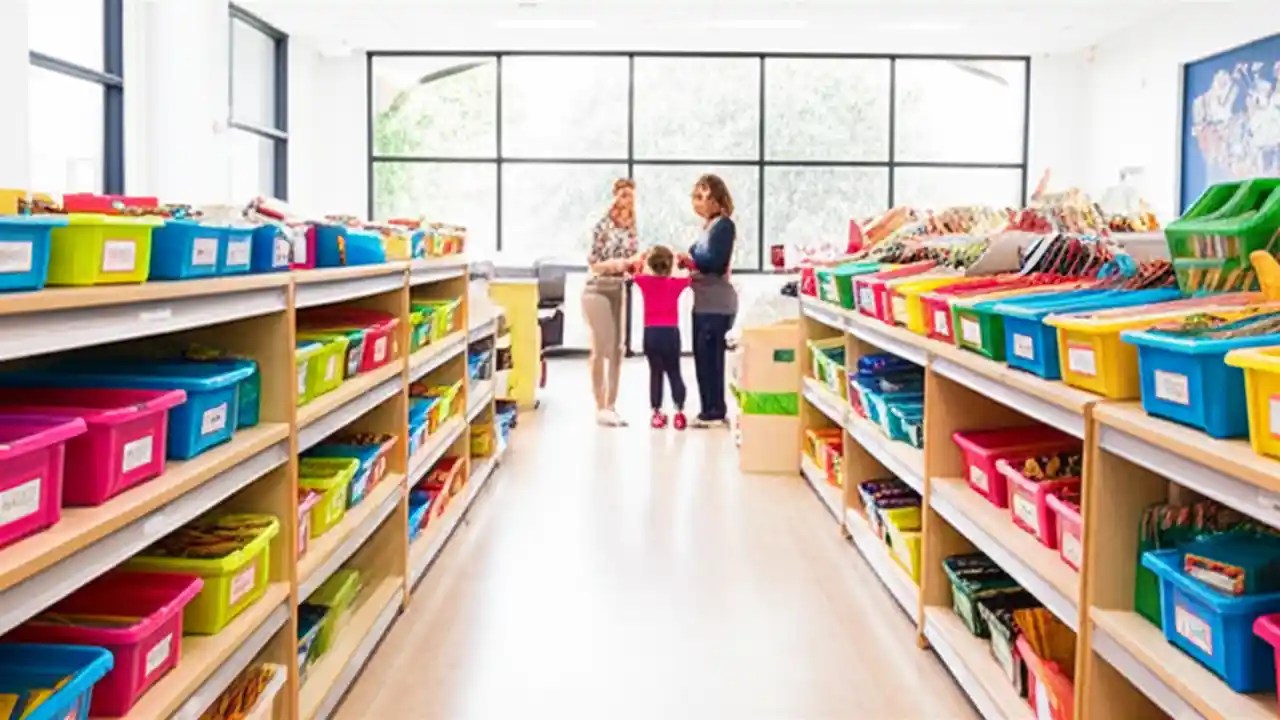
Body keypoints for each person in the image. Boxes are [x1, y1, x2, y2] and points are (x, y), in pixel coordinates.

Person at [682, 174, 737, 428]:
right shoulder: (707, 228)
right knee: (702, 358)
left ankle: (714, 411)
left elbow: (713, 262)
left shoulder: (724, 226)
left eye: (706, 197)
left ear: (718, 200)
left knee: (711, 358)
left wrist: (689, 259)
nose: (700, 202)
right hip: (703, 302)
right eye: (697, 196)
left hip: (717, 304)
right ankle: (708, 408)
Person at [583, 178, 637, 427]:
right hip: (598, 287)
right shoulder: (602, 226)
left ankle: (611, 405)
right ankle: (599, 404)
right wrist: (618, 264)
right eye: (624, 194)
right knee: (600, 346)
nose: (628, 200)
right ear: (615, 196)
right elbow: (594, 263)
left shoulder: (632, 228)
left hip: (620, 288)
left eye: (631, 195)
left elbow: (631, 261)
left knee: (617, 349)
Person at [631, 245, 691, 430]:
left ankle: (657, 413)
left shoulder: (645, 282)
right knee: (674, 371)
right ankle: (679, 412)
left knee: (655, 373)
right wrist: (684, 264)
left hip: (651, 334)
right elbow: (690, 278)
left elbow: (635, 271)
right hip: (671, 333)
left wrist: (641, 258)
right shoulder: (674, 284)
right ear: (670, 265)